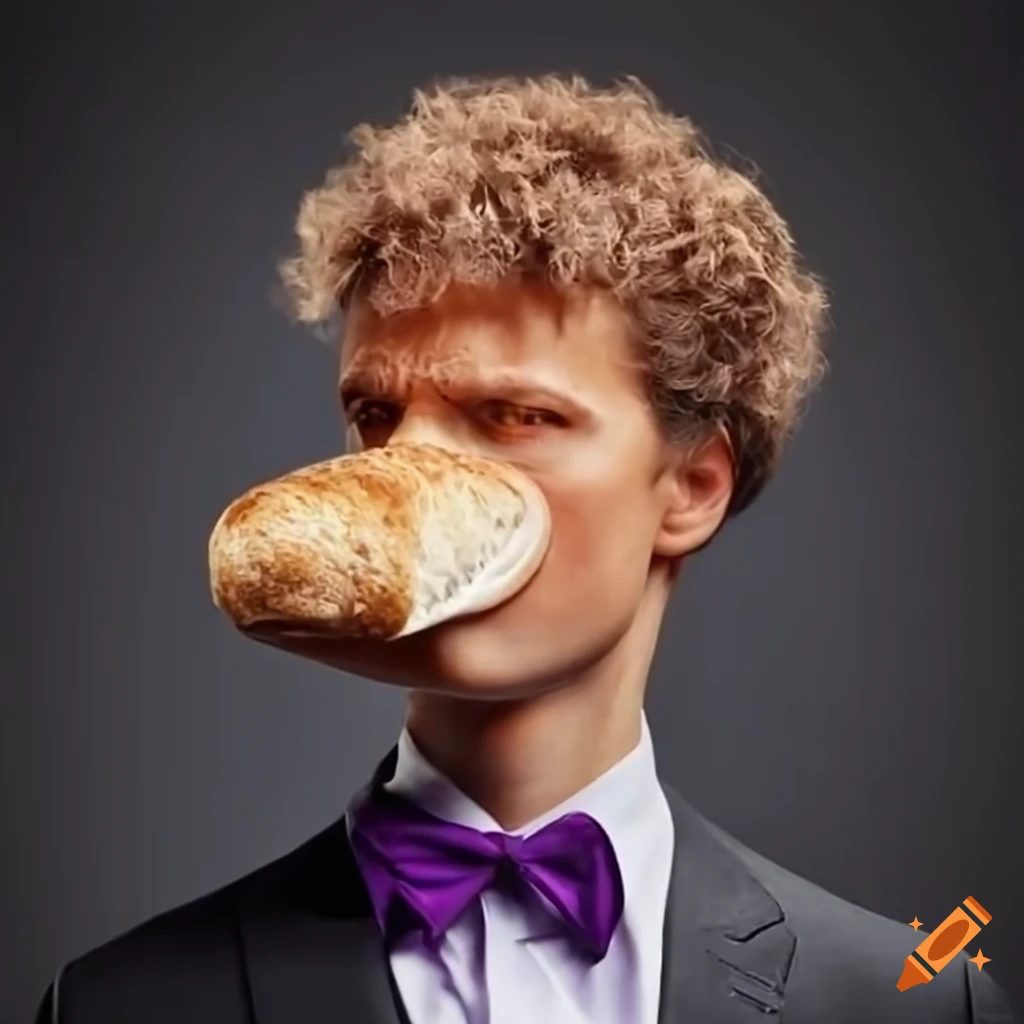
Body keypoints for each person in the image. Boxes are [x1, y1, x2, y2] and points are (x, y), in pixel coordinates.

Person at [35, 75, 1016, 1024]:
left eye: (512, 415)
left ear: (691, 488)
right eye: (376, 415)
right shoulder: (120, 1003)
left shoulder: (915, 1002)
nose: (402, 476)